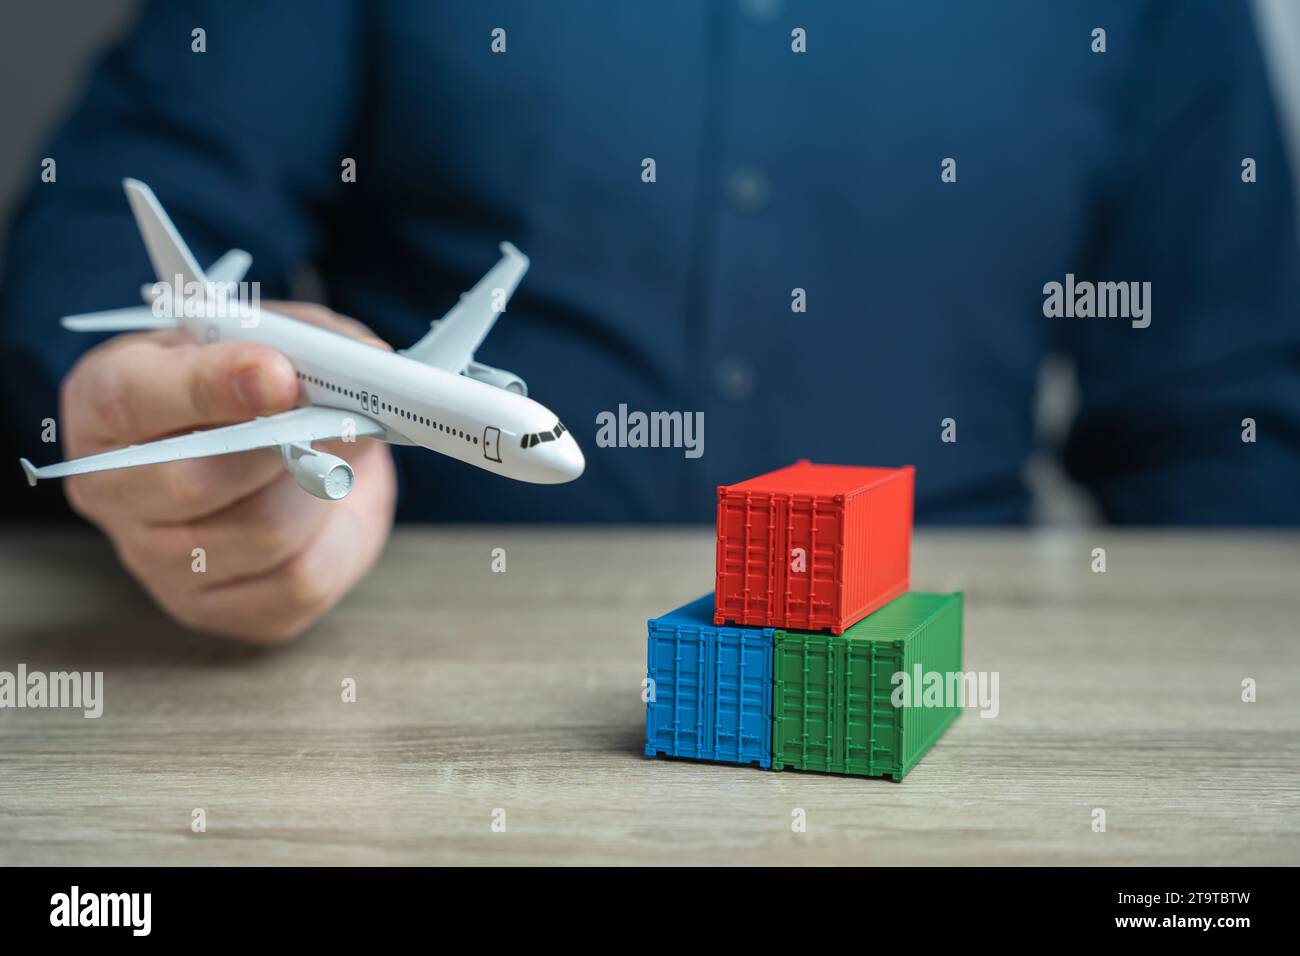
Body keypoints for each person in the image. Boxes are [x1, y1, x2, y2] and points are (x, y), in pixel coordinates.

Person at [1, 0, 1296, 642]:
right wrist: (131, 406)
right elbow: (107, 217)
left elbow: (1231, 423)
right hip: (398, 675)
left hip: (934, 649)